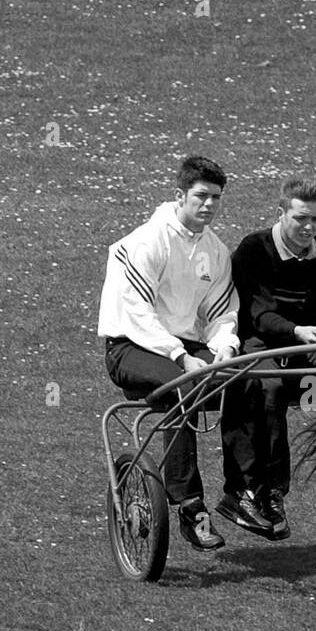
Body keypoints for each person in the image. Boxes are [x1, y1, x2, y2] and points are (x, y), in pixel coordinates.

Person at [98, 155, 239, 551]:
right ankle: (192, 508)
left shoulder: (215, 250)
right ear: (179, 195)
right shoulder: (145, 241)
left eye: (216, 197)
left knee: (248, 382)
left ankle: (246, 493)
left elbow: (222, 314)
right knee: (185, 388)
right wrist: (181, 358)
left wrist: (224, 350)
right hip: (130, 347)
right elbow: (138, 315)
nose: (209, 205)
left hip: (187, 349)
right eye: (201, 196)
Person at [219, 179, 316, 540]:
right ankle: (263, 491)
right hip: (259, 345)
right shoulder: (253, 250)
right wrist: (299, 332)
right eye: (301, 218)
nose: (309, 227)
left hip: (307, 349)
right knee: (269, 388)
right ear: (280, 214)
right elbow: (256, 312)